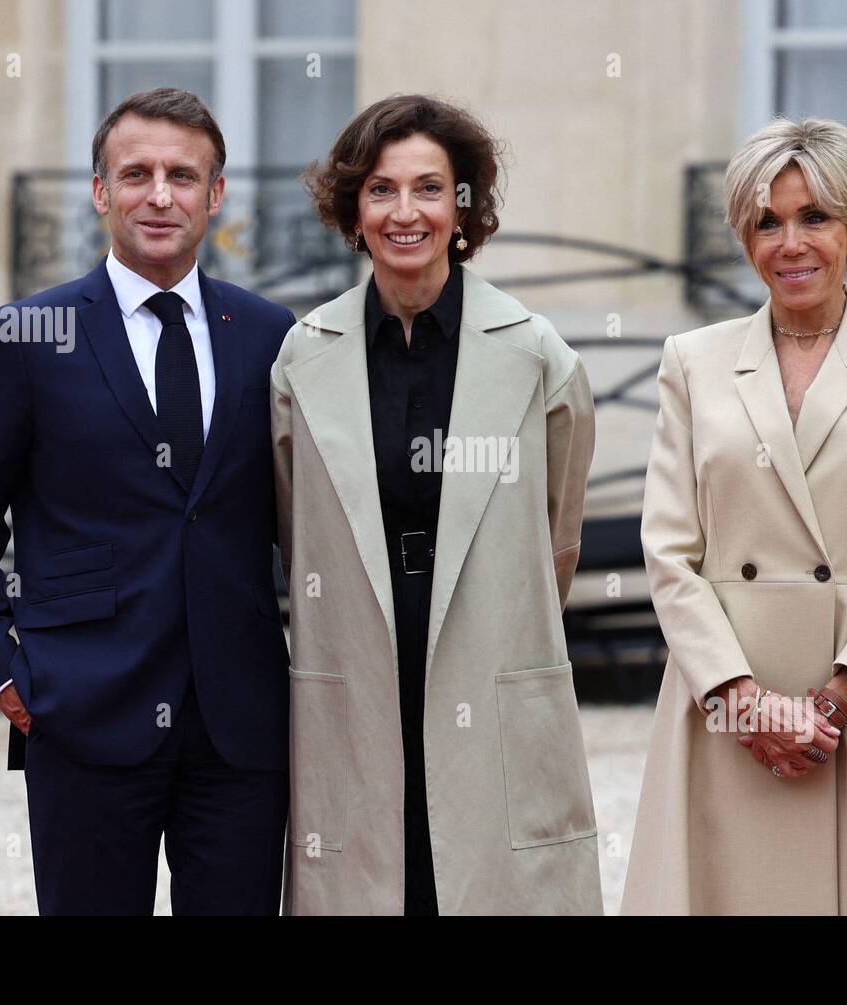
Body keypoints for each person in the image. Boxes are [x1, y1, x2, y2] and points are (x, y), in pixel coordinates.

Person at [0, 88, 294, 915]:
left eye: (181, 175)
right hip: (82, 710)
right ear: (101, 191)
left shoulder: (271, 334)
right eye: (137, 174)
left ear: (216, 193)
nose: (159, 195)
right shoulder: (28, 337)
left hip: (240, 724)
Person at [622, 117, 847, 914]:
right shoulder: (693, 361)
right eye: (767, 222)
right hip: (722, 712)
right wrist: (744, 702)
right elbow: (670, 553)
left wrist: (831, 702)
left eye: (814, 217)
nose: (791, 243)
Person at [271, 94, 601, 915]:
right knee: (374, 879)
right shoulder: (300, 359)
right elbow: (294, 528)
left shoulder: (536, 356)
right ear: (353, 212)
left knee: (487, 880)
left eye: (429, 188)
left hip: (488, 659)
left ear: (463, 208)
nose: (404, 211)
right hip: (356, 656)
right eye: (381, 190)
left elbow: (555, 541)